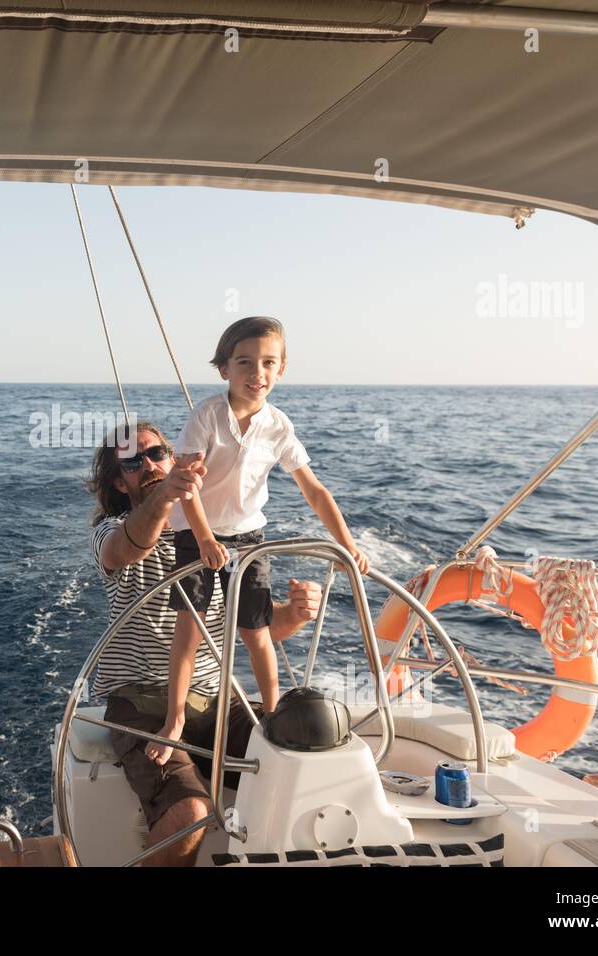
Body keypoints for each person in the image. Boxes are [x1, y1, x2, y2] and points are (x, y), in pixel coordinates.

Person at [87, 422, 322, 866]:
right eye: (134, 463)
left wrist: (295, 612)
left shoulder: (215, 534)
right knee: (191, 813)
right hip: (141, 706)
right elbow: (127, 548)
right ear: (120, 482)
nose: (150, 465)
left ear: (173, 457)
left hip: (219, 700)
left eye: (157, 453)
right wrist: (166, 496)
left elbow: (258, 630)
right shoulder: (110, 532)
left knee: (300, 758)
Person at [153, 316, 367, 765]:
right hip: (197, 533)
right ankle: (173, 718)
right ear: (224, 369)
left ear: (282, 369)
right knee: (189, 632)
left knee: (257, 631)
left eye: (269, 363)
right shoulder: (207, 415)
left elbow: (314, 490)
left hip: (250, 538)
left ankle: (273, 718)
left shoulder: (279, 425)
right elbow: (187, 485)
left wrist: (346, 545)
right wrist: (206, 538)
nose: (257, 373)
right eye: (245, 362)